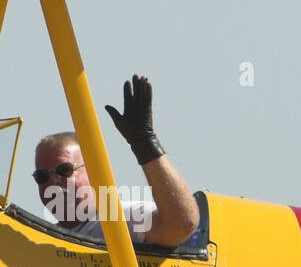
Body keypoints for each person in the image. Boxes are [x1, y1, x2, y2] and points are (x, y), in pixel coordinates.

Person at [34, 75, 199, 247]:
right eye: (42, 176)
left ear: (92, 170)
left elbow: (182, 224)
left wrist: (144, 142)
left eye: (64, 170)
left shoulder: (120, 219)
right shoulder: (43, 240)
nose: (52, 181)